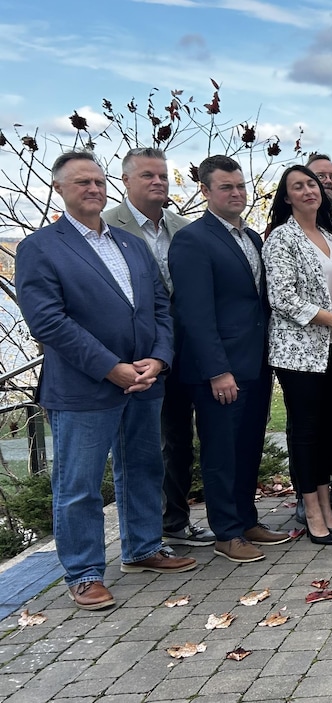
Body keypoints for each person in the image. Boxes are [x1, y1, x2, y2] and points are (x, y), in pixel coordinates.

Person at [17, 151, 196, 610]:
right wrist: (110, 367)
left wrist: (158, 359)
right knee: (78, 484)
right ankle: (83, 572)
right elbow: (48, 322)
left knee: (142, 469)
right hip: (84, 387)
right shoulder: (39, 247)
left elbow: (159, 307)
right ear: (59, 189)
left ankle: (142, 548)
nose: (93, 189)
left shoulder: (129, 244)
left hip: (143, 380)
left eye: (98, 181)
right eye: (82, 183)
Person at [169, 155, 290, 564]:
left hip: (255, 363)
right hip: (219, 370)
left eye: (240, 186)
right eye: (226, 187)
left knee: (248, 446)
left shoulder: (253, 238)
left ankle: (246, 518)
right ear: (205, 191)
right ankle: (226, 532)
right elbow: (195, 313)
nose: (236, 193)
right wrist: (217, 370)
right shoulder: (192, 240)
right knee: (221, 451)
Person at [101, 147, 209, 548]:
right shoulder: (108, 225)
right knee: (143, 447)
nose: (158, 182)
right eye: (148, 176)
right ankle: (148, 531)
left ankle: (175, 521)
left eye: (162, 176)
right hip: (133, 356)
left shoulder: (183, 228)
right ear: (126, 181)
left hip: (182, 349)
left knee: (180, 437)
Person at [262, 165, 332, 546]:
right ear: (287, 197)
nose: (308, 191)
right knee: (306, 431)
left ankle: (328, 507)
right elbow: (283, 298)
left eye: (312, 184)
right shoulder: (280, 239)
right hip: (300, 351)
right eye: (298, 186)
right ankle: (312, 511)